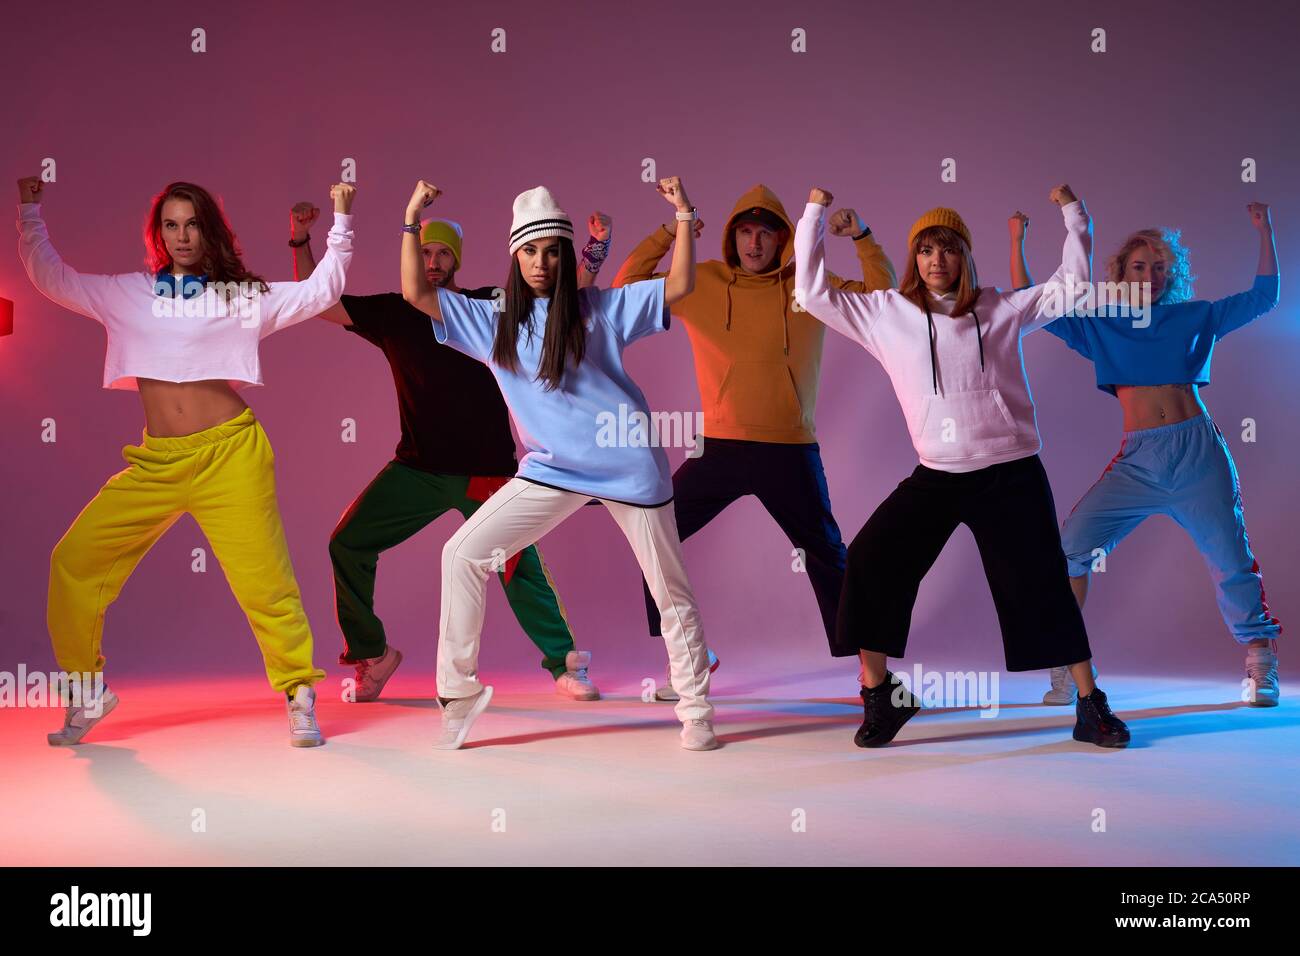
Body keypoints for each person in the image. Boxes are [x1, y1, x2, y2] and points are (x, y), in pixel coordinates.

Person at [17, 175, 357, 747]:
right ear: (158, 233)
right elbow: (55, 279)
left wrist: (342, 221)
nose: (181, 235)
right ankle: (86, 691)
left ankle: (299, 691)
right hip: (157, 463)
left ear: (209, 230)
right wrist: (30, 212)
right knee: (73, 562)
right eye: (170, 225)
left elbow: (319, 292)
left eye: (192, 223)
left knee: (265, 582)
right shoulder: (128, 293)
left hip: (231, 454)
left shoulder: (238, 296)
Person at [795, 182, 1129, 749]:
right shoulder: (887, 313)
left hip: (1011, 471)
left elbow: (1070, 286)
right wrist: (814, 213)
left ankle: (1090, 704)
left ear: (965, 256)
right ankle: (882, 696)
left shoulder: (998, 307)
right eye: (926, 250)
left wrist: (1075, 214)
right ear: (913, 257)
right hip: (938, 474)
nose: (936, 261)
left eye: (948, 249)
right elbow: (812, 291)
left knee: (1044, 584)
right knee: (871, 562)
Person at [401, 177, 718, 751]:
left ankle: (696, 711)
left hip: (628, 467)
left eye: (552, 251)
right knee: (462, 553)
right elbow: (417, 295)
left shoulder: (601, 308)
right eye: (529, 251)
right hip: (551, 471)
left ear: (566, 254)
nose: (541, 262)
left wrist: (685, 217)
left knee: (670, 590)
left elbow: (679, 284)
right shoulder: (493, 321)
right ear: (514, 256)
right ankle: (460, 692)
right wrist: (408, 221)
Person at [287, 201, 613, 702]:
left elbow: (556, 296)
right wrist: (299, 240)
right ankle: (373, 656)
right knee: (347, 543)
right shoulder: (394, 311)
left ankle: (565, 663)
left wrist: (595, 250)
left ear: (456, 260)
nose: (434, 261)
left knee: (518, 567)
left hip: (487, 473)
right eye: (426, 252)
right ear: (413, 256)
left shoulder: (488, 304)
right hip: (417, 468)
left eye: (442, 253)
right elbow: (316, 300)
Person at [614, 185, 896, 699]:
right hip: (718, 447)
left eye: (766, 232)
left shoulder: (809, 286)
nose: (754, 242)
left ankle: (871, 672)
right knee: (653, 530)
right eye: (745, 231)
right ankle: (691, 657)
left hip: (790, 449)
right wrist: (668, 231)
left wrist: (863, 237)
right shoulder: (700, 281)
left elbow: (883, 300)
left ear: (783, 238)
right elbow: (627, 285)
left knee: (828, 556)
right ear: (731, 236)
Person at [1028, 203, 1282, 705]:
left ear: (1173, 274)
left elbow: (1264, 297)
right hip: (1139, 462)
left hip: (1197, 452)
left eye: (1161, 266)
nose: (1150, 275)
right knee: (1073, 548)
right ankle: (1066, 666)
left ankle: (1261, 663)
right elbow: (1036, 307)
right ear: (1121, 272)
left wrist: (1264, 229)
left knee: (1230, 559)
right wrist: (1018, 245)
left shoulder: (1196, 315)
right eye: (1140, 266)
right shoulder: (1101, 325)